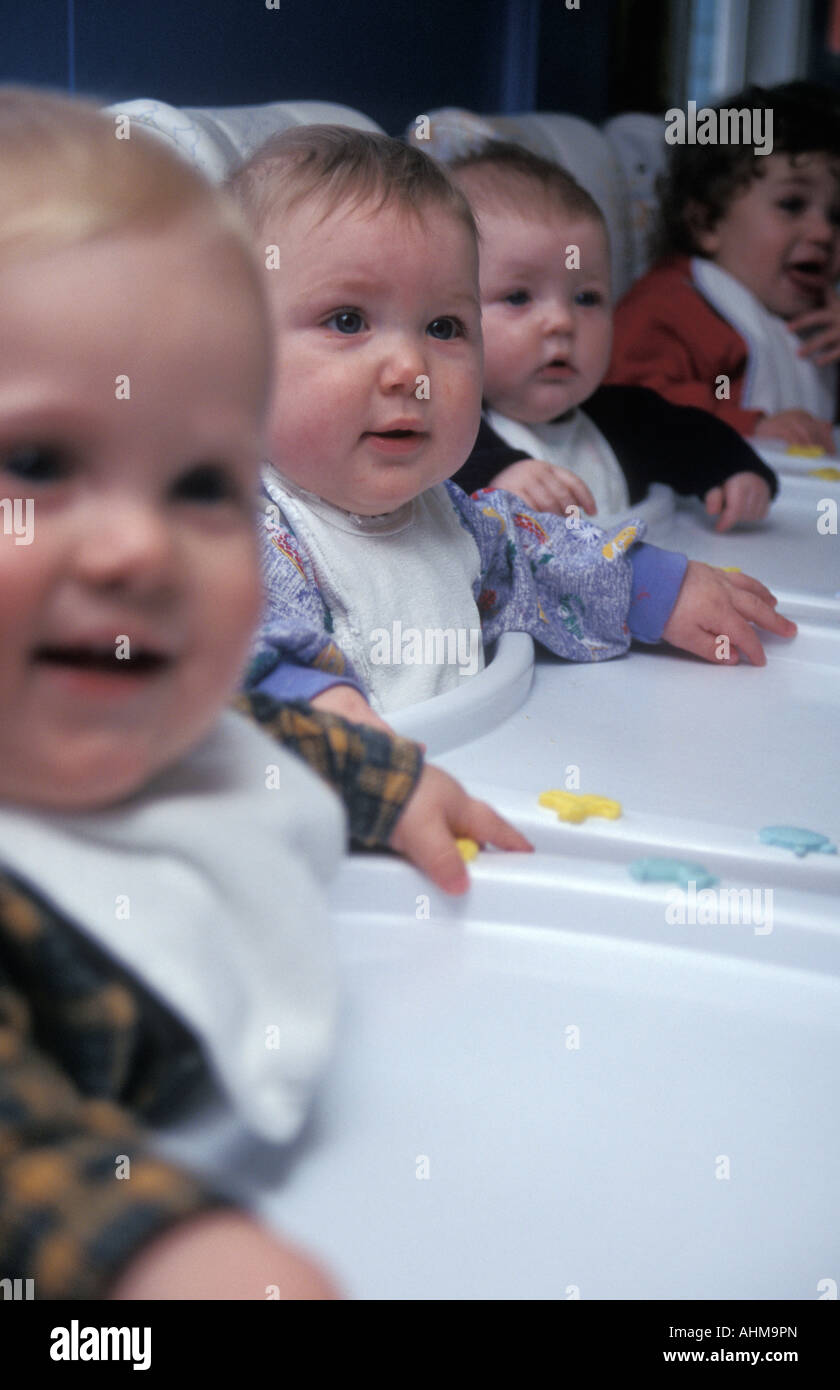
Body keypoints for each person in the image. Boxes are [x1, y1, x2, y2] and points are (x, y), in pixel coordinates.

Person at [0, 87, 526, 1301]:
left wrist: (390, 782)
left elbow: (259, 737)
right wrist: (153, 1254)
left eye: (199, 482)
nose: (140, 550)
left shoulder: (123, 707)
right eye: (36, 464)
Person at [228, 126, 795, 726]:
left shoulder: (450, 519)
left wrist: (656, 586)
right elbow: (238, 649)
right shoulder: (244, 534)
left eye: (444, 327)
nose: (409, 369)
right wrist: (315, 708)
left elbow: (542, 562)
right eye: (347, 320)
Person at [445, 139, 777, 531]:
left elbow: (696, 439)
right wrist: (500, 472)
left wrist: (737, 473)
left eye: (587, 298)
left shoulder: (624, 418)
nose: (562, 322)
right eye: (518, 297)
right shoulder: (445, 428)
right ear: (444, 318)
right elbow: (430, 472)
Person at [607, 82, 840, 453]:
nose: (823, 233)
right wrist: (752, 426)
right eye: (792, 204)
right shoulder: (674, 305)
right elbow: (625, 404)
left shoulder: (826, 326)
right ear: (707, 223)